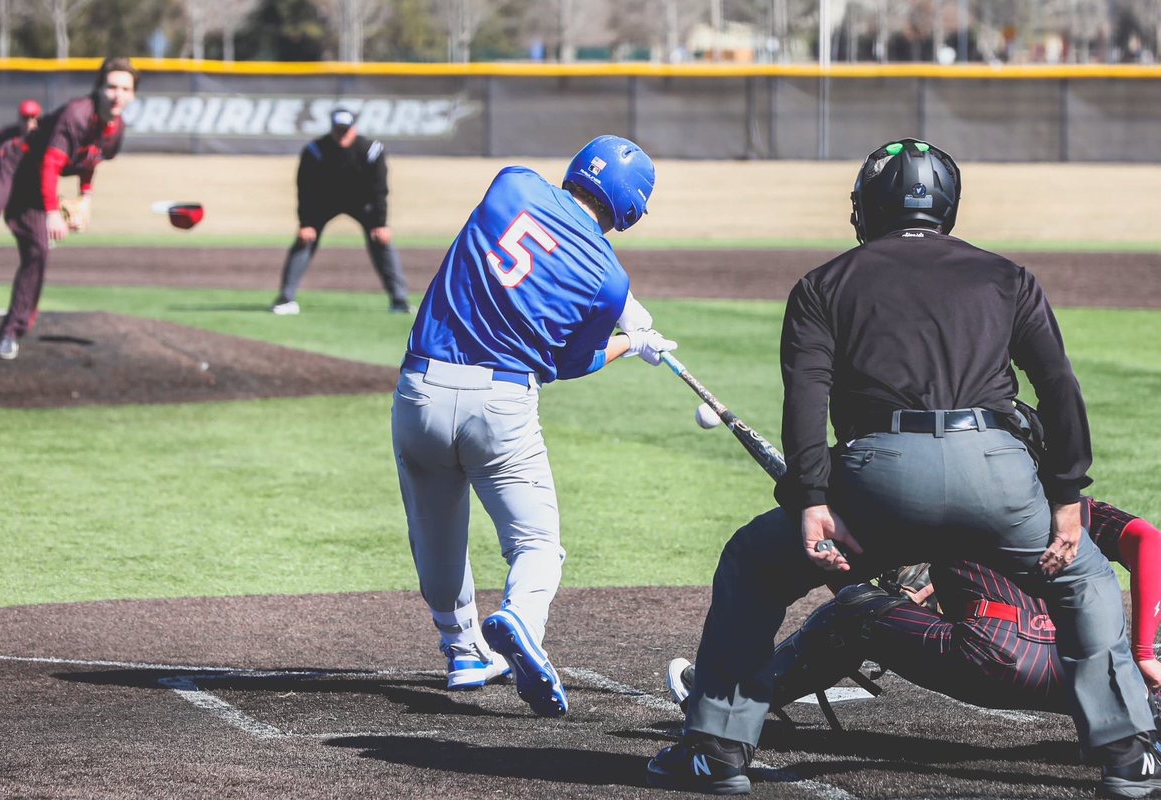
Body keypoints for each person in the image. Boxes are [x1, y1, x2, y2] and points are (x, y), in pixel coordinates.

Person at [646, 138, 1159, 798]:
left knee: (752, 563)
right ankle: (1127, 755)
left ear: (865, 208)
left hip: (877, 477)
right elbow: (1058, 387)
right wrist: (1066, 494)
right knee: (1083, 579)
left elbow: (803, 400)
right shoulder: (1006, 277)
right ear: (946, 207)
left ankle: (714, 751)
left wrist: (808, 500)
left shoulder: (823, 285)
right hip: (998, 475)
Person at [391, 135, 675, 717]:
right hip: (501, 406)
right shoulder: (608, 279)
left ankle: (463, 648)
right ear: (629, 208)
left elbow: (535, 242)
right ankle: (521, 617)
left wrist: (619, 310)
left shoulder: (512, 182)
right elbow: (572, 365)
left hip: (419, 391)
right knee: (537, 543)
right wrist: (630, 340)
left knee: (436, 533)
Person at [666, 495, 1161, 725]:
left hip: (998, 658)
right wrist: (1141, 651)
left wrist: (900, 591)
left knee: (855, 611)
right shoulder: (1069, 505)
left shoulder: (946, 493)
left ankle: (721, 706)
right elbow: (1148, 542)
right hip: (1089, 665)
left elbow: (855, 565)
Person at [0, 58, 137, 361]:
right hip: (15, 162)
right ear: (99, 89)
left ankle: (10, 332)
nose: (117, 94)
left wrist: (86, 197)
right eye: (111, 87)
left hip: (37, 184)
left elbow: (90, 163)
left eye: (125, 88)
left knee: (39, 249)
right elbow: (51, 164)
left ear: (133, 94)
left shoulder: (116, 131)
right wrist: (53, 212)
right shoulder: (77, 114)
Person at [271, 107, 412, 316]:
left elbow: (380, 189)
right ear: (332, 129)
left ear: (354, 129)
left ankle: (400, 300)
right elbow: (306, 189)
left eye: (346, 130)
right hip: (324, 201)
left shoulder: (371, 150)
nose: (342, 135)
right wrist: (305, 222)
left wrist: (381, 223)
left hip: (363, 202)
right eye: (338, 130)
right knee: (304, 240)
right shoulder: (315, 150)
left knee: (381, 241)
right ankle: (286, 299)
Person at [0, 99, 42, 166]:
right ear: (19, 118)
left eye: (33, 117)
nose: (28, 122)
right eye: (25, 118)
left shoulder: (45, 134)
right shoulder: (7, 134)